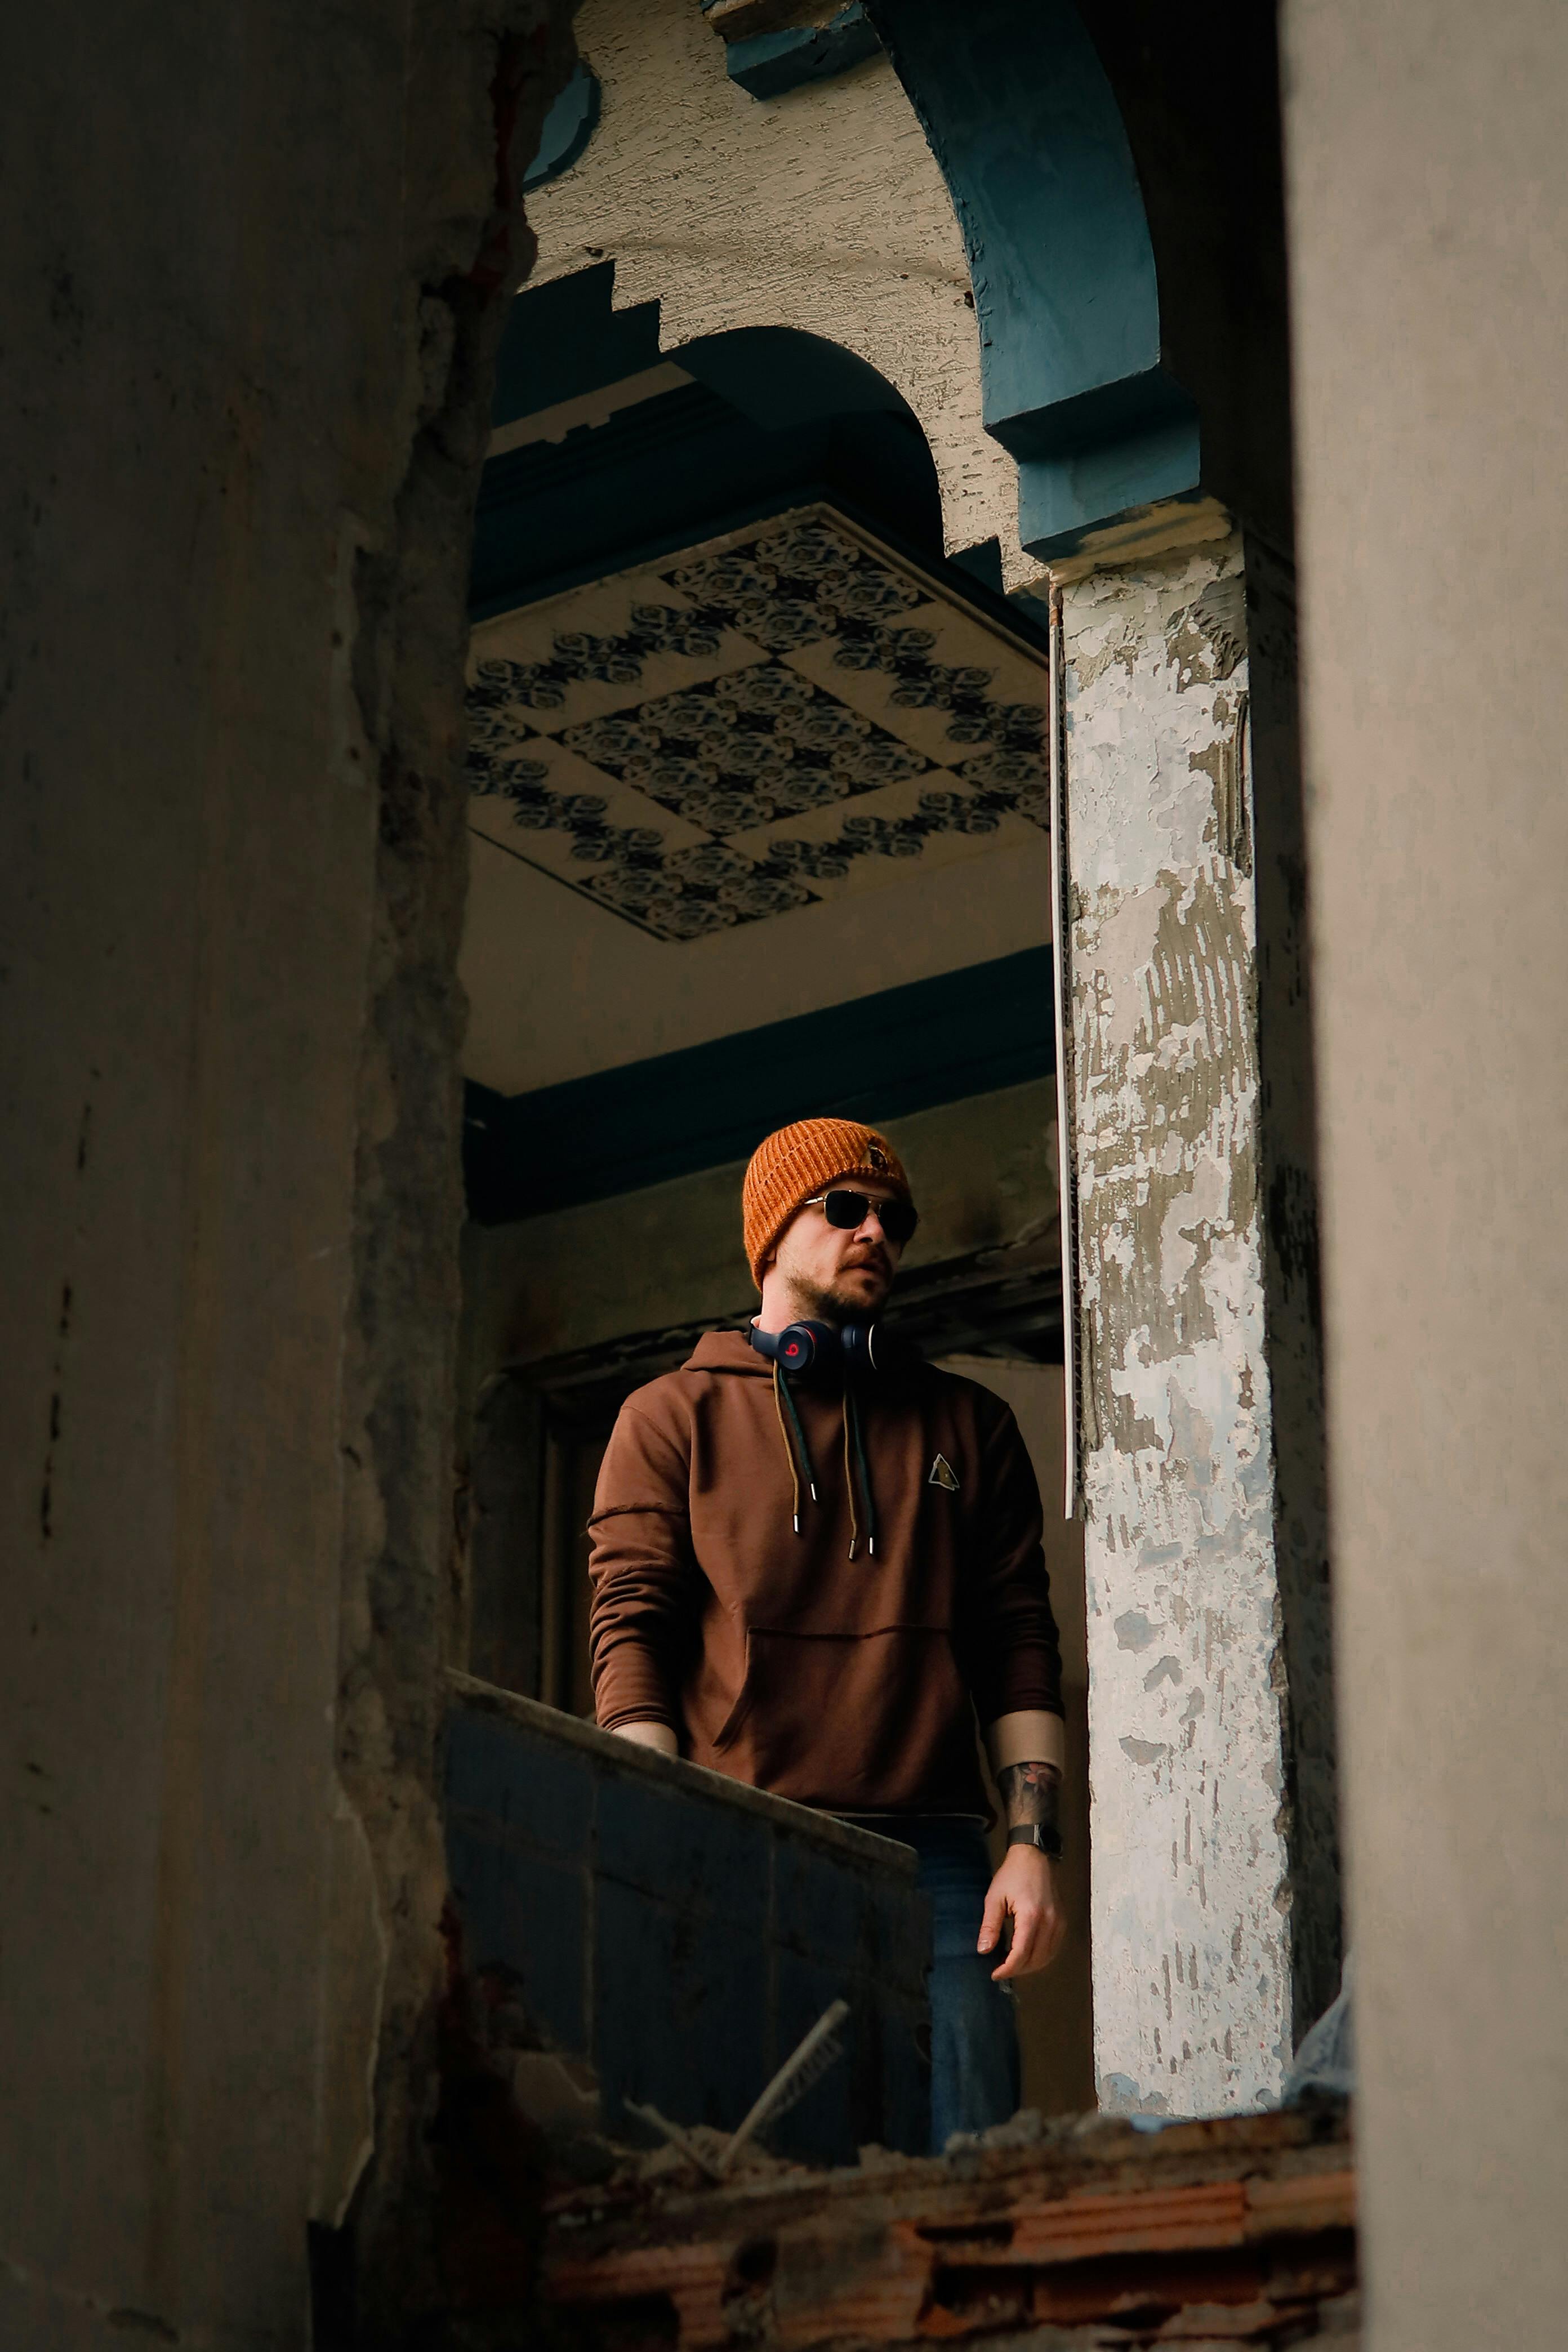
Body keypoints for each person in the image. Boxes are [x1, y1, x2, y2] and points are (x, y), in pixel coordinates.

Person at [586, 1116, 1067, 2149]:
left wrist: (1032, 1845)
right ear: (770, 1237)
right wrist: (655, 1829)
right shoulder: (668, 1419)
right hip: (740, 1838)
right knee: (752, 2150)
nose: (877, 1232)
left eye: (893, 1218)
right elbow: (633, 1636)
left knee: (971, 2150)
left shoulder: (968, 1427)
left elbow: (1017, 1639)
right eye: (844, 1208)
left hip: (937, 1860)